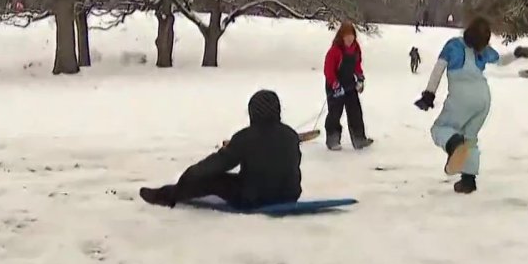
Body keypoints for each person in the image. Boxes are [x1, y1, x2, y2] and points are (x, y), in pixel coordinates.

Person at [414, 17, 528, 194]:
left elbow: (438, 69)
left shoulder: (453, 45)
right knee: (470, 137)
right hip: (483, 98)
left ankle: (454, 146)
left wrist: (429, 94)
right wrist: (517, 54)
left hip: (462, 97)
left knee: (441, 128)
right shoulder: (483, 51)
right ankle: (468, 181)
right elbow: (500, 60)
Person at [139, 90, 302, 209]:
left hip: (254, 198)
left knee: (210, 180)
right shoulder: (291, 135)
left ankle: (165, 196)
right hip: (289, 195)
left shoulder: (246, 137)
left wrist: (188, 176)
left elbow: (217, 164)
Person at [323, 21, 374, 150]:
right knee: (335, 112)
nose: (349, 39)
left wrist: (360, 78)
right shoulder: (334, 51)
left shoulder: (356, 49)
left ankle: (359, 139)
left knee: (355, 112)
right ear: (341, 37)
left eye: (352, 36)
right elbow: (328, 70)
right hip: (334, 84)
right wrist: (335, 85)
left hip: (349, 84)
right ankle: (333, 139)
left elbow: (357, 65)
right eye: (347, 36)